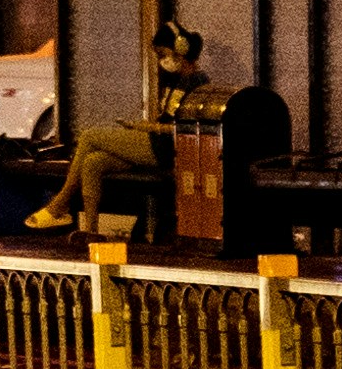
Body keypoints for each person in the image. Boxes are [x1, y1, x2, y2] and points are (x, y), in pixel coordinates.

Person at [27, 22, 225, 237]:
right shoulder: (178, 80)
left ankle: (60, 204)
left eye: (163, 53)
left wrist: (145, 127)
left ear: (181, 49)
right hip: (156, 142)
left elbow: (183, 129)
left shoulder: (195, 82)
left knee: (89, 136)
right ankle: (91, 230)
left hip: (166, 148)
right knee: (93, 161)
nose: (162, 61)